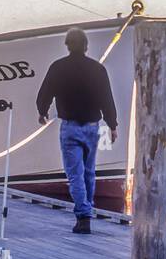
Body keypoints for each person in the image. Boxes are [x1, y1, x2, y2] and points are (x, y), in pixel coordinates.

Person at [34, 28, 118, 234]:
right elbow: (107, 99)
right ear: (86, 46)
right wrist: (112, 125)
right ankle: (87, 210)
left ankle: (83, 216)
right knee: (89, 172)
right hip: (92, 127)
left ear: (67, 45)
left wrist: (42, 112)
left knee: (75, 175)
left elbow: (45, 93)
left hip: (70, 127)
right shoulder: (98, 69)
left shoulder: (58, 67)